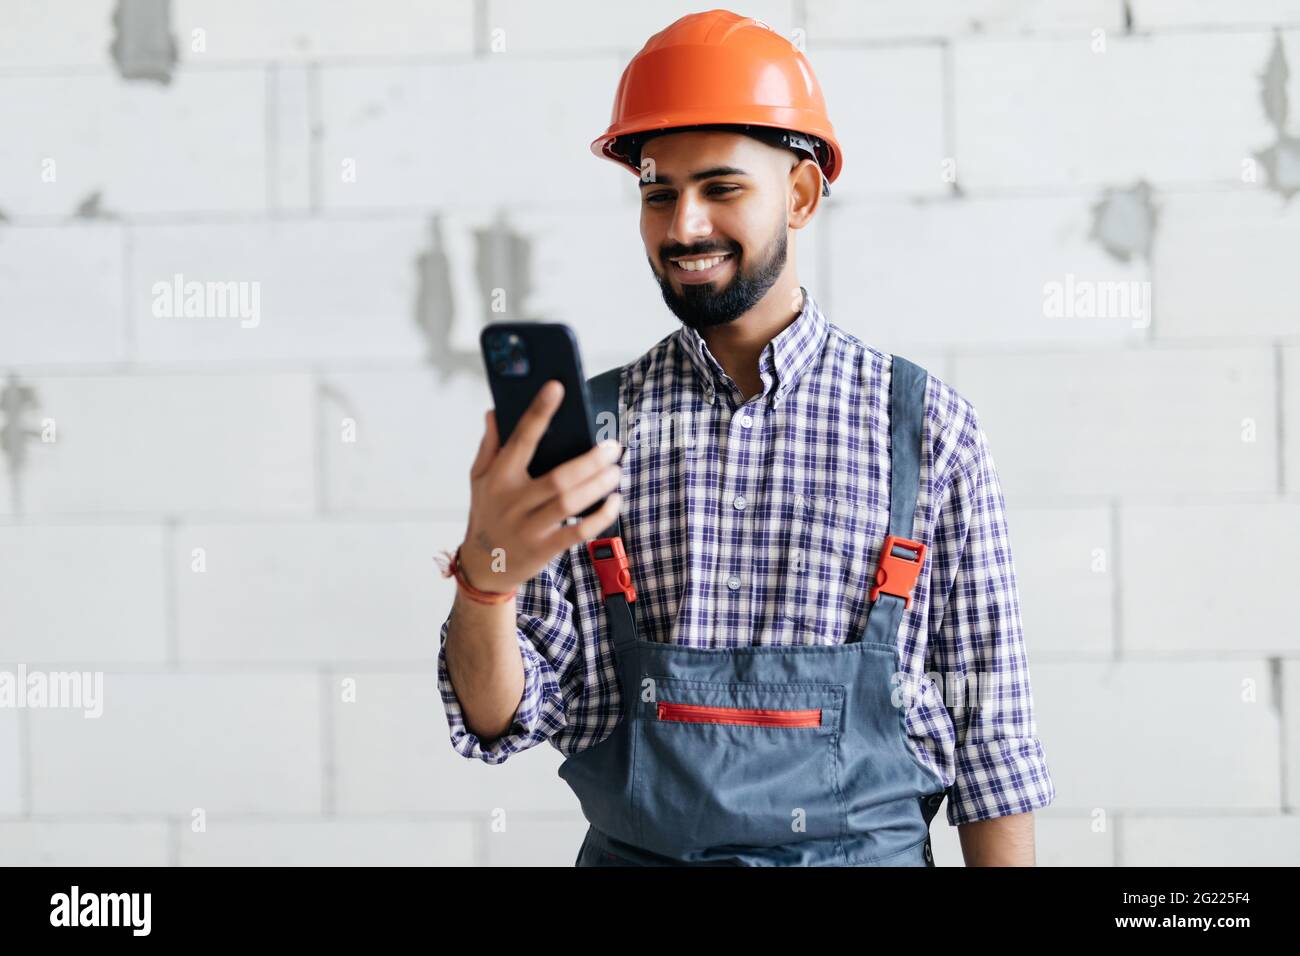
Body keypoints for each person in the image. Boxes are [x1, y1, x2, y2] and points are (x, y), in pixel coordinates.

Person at [436, 9, 1054, 867]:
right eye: (658, 193)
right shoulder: (596, 433)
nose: (684, 226)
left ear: (798, 196)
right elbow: (502, 719)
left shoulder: (926, 427)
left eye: (721, 188)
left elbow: (994, 749)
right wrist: (486, 577)